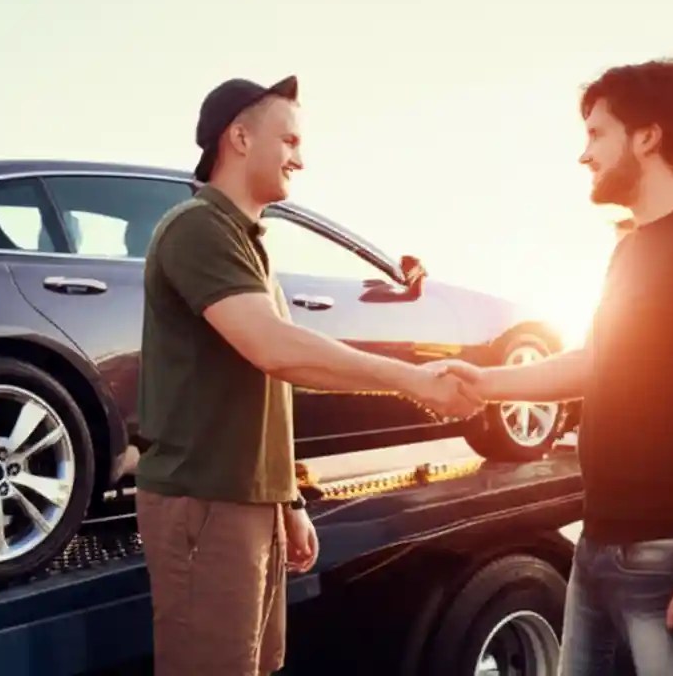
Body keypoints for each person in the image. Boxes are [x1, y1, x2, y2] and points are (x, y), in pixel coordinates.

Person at [449, 59, 673, 674]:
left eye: (596, 134)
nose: (585, 155)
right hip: (605, 547)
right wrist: (487, 384)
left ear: (648, 136)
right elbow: (598, 360)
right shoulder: (633, 246)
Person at [133, 74, 482, 675]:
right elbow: (276, 350)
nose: (301, 157)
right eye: (289, 140)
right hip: (204, 501)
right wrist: (414, 380)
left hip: (248, 500)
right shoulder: (197, 228)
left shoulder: (247, 239)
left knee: (257, 667)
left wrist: (287, 497)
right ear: (239, 138)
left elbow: (269, 386)